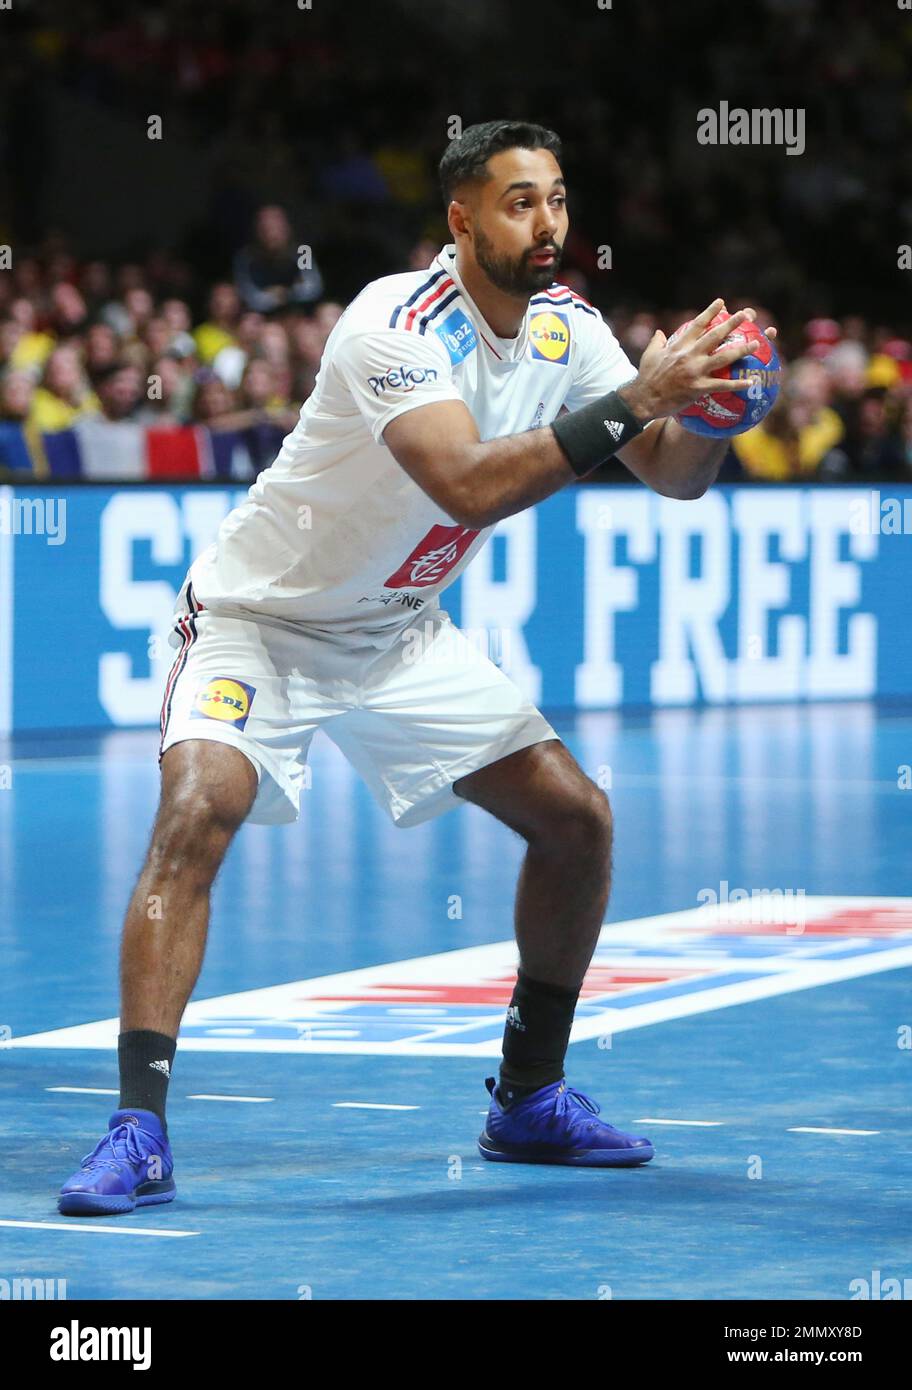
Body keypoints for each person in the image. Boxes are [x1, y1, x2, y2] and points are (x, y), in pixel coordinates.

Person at [58, 120, 771, 1214]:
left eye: (560, 200)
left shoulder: (570, 330)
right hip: (264, 619)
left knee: (576, 818)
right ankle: (137, 1128)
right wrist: (646, 391)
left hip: (395, 633)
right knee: (200, 806)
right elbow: (471, 485)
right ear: (463, 217)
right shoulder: (393, 321)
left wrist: (718, 410)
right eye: (521, 202)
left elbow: (672, 476)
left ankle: (528, 1097)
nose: (549, 224)